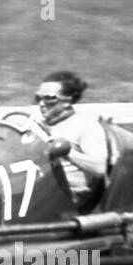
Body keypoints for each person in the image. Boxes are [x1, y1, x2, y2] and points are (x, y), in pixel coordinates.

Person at [34, 71, 109, 209]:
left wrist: (66, 153)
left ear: (67, 101)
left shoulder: (86, 126)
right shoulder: (37, 124)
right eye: (38, 98)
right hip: (38, 191)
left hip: (70, 198)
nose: (41, 104)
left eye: (49, 99)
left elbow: (100, 167)